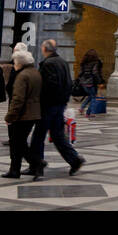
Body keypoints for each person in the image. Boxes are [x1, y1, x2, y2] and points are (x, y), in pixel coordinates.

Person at [31, 39, 85, 176]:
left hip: (48, 105)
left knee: (38, 135)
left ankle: (36, 165)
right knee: (57, 135)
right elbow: (68, 83)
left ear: (45, 49)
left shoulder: (48, 64)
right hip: (60, 104)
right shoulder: (62, 62)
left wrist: (41, 100)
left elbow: (49, 85)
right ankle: (74, 160)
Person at [2, 44, 45, 180]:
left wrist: (10, 116)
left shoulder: (22, 76)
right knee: (19, 143)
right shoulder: (35, 73)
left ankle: (35, 163)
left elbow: (18, 99)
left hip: (22, 115)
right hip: (34, 113)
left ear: (19, 62)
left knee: (17, 143)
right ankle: (16, 169)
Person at [76, 49, 103, 116]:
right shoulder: (95, 62)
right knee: (93, 97)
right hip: (91, 83)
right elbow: (95, 72)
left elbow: (80, 73)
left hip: (83, 83)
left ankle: (82, 108)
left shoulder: (84, 62)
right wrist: (99, 81)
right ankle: (90, 112)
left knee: (91, 96)